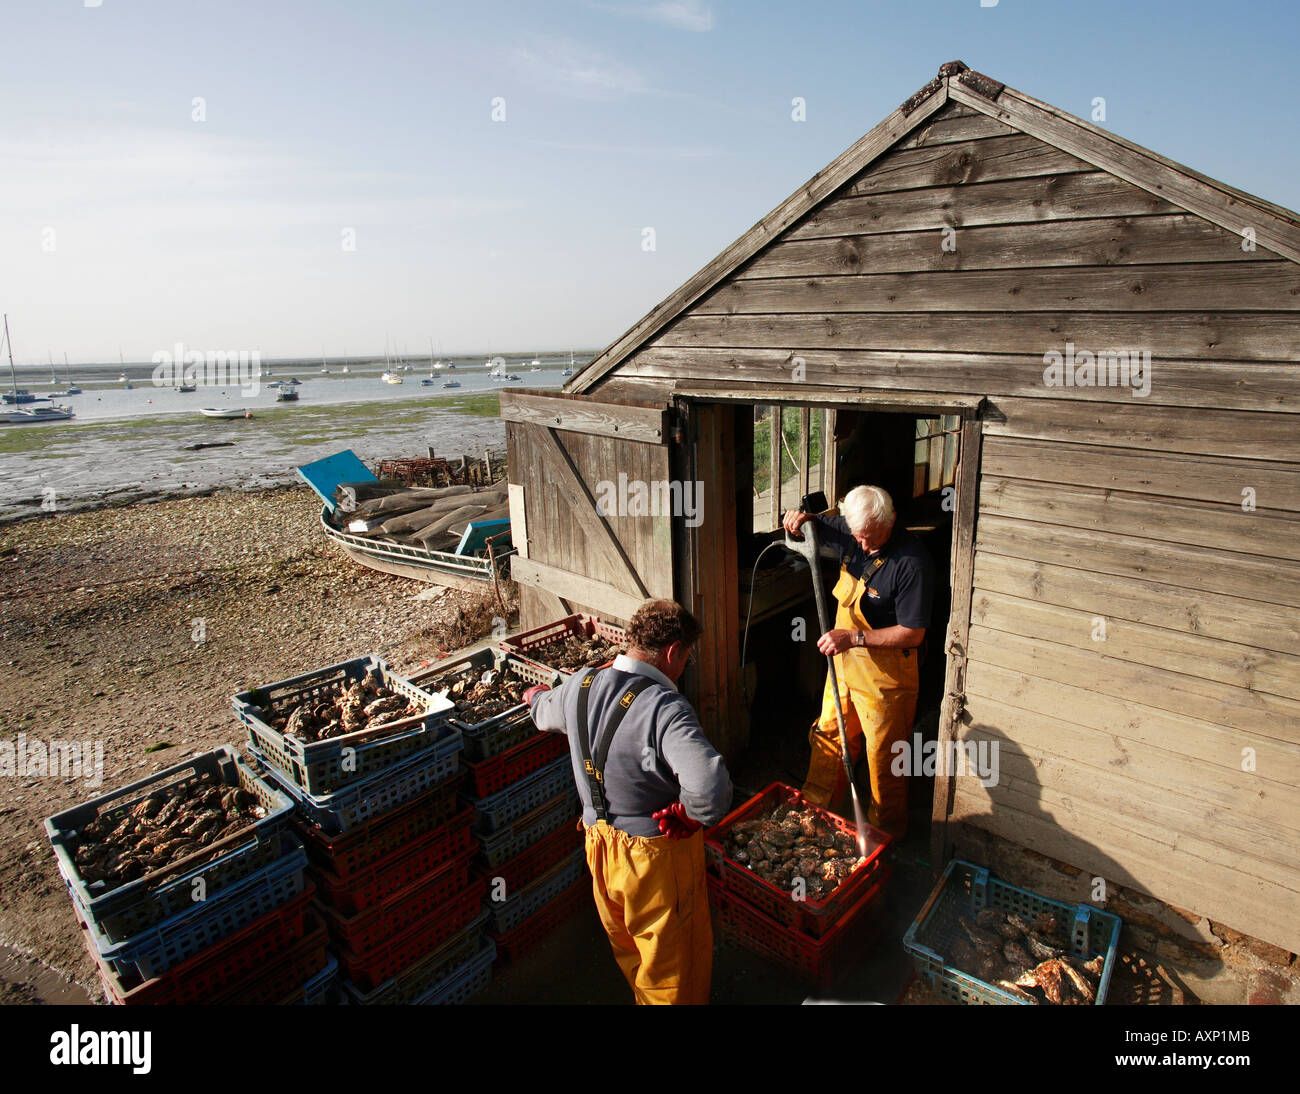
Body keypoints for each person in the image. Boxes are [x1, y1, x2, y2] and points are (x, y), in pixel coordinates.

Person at [523, 598, 732, 1005]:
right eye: (686, 657)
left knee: (629, 950)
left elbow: (541, 710)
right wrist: (689, 814)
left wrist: (534, 697)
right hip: (654, 861)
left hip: (599, 849)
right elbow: (710, 787)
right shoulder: (665, 709)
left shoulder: (579, 686)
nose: (684, 665)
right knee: (672, 970)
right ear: (673, 652)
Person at [782, 485, 934, 840]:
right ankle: (815, 816)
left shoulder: (912, 563)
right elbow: (813, 525)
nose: (863, 546)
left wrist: (853, 638)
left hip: (886, 679)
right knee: (828, 739)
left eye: (871, 539)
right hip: (845, 669)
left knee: (884, 762)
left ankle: (884, 838)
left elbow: (913, 633)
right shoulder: (851, 530)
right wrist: (800, 519)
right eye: (858, 537)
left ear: (891, 521)